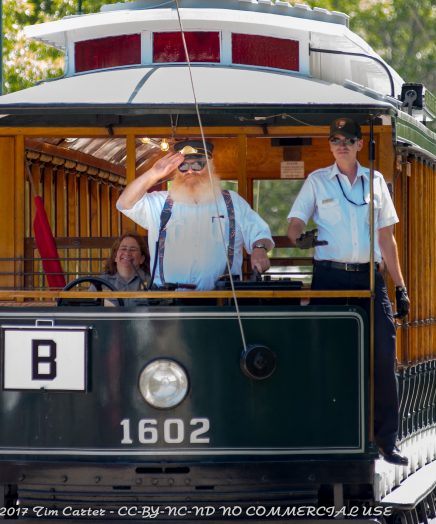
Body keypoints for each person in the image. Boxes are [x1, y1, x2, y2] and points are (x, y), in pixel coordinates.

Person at [286, 117, 410, 466]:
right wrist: (299, 238)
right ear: (330, 145)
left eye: (348, 140)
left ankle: (386, 441)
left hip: (368, 278)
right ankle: (325, 433)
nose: (341, 145)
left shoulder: (376, 181)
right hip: (329, 278)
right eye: (335, 140)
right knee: (327, 356)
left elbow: (386, 238)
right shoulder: (317, 180)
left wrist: (400, 287)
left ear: (359, 145)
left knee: (383, 354)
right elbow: (295, 223)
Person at [116, 140, 273, 291]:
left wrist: (259, 249)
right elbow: (124, 203)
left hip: (221, 300)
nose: (190, 171)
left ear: (210, 167)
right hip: (168, 299)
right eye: (183, 166)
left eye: (198, 164)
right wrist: (154, 173)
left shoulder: (232, 202)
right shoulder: (161, 203)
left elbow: (259, 233)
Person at [90, 233, 151, 306]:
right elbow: (88, 309)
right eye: (123, 248)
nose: (127, 253)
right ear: (115, 256)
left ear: (142, 259)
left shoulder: (151, 282)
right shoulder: (100, 282)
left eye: (133, 249)